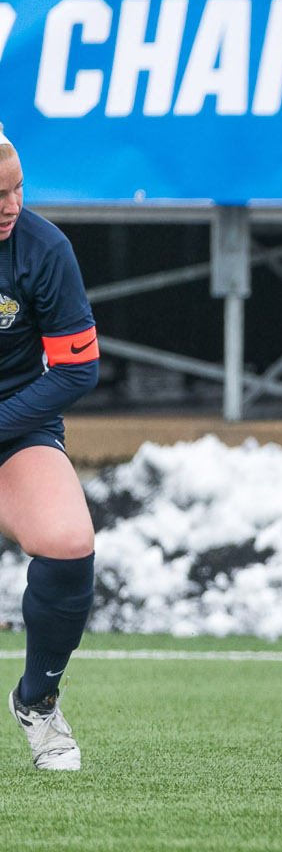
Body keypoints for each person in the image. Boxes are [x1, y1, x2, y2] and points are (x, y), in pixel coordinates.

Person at [0, 124, 101, 771]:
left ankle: (38, 698)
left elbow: (76, 369)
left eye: (15, 190)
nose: (9, 206)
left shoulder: (44, 247)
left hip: (14, 424)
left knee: (70, 543)